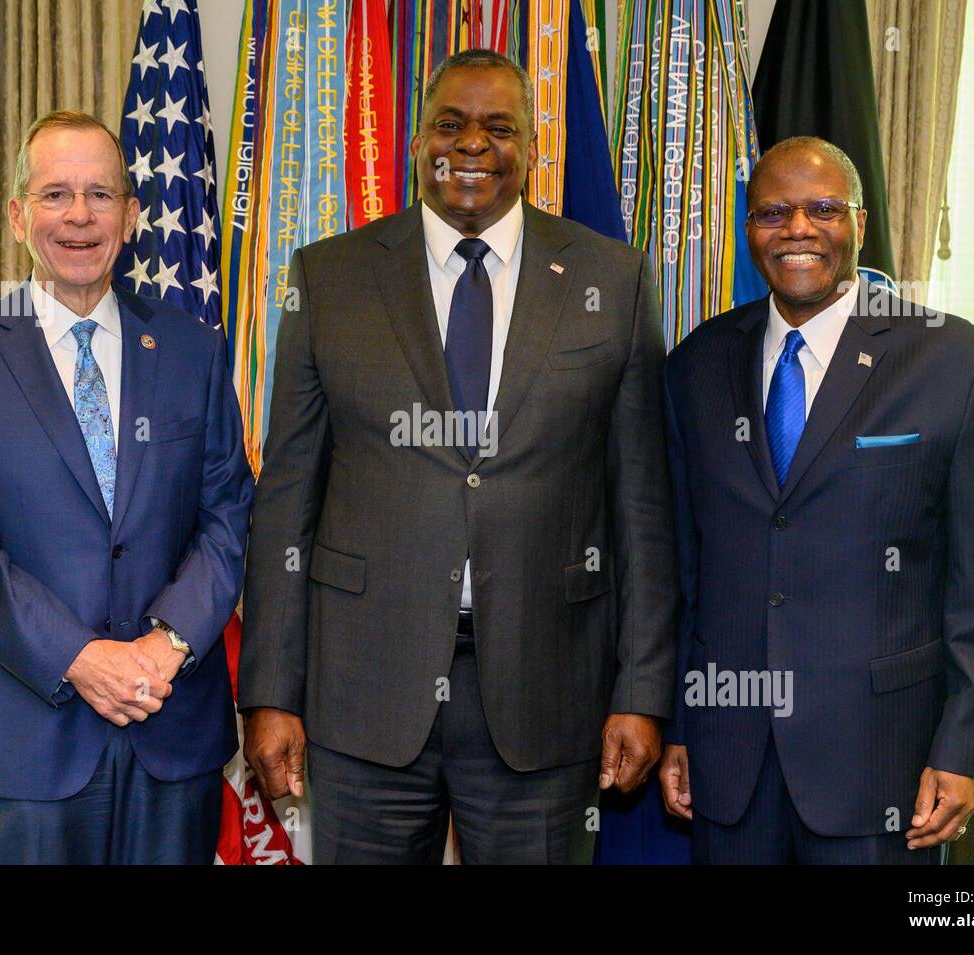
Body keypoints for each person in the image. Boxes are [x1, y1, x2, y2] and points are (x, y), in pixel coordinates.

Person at [238, 49, 677, 864]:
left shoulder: (611, 281)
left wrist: (643, 690)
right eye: (450, 123)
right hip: (363, 692)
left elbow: (642, 506)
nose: (472, 143)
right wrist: (268, 691)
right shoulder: (329, 277)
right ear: (416, 142)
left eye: (498, 126)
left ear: (533, 148)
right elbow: (286, 498)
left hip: (547, 694)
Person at [658, 136, 974, 863]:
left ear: (858, 221)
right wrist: (680, 722)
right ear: (748, 227)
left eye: (823, 208)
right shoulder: (696, 365)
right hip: (730, 765)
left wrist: (966, 748)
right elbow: (686, 573)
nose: (798, 228)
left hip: (883, 764)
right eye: (772, 212)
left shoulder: (955, 361)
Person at [0, 111, 253, 863]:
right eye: (55, 194)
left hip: (173, 729)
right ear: (17, 214)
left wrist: (167, 644)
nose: (78, 216)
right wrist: (81, 656)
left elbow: (229, 517)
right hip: (31, 739)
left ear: (131, 216)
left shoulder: (194, 350)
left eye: (100, 195)